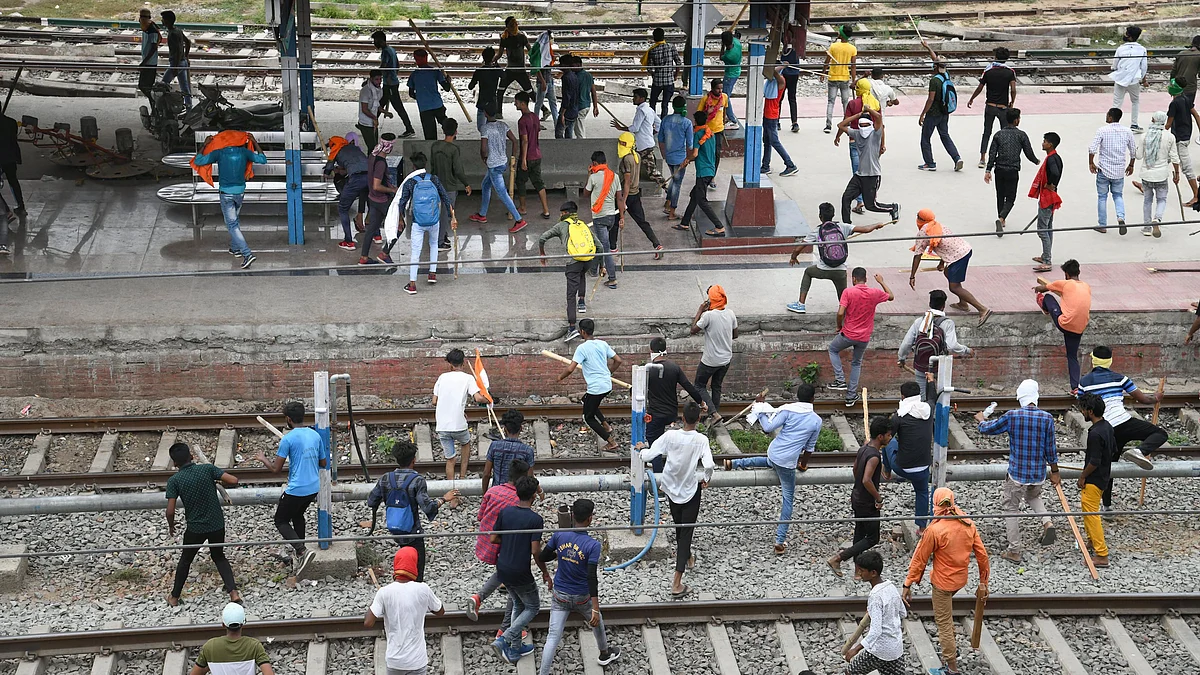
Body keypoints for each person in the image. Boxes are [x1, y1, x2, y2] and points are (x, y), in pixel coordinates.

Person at [903, 488, 990, 675]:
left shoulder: (935, 530)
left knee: (943, 622)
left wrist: (908, 583)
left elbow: (920, 558)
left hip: (942, 583)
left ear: (935, 503)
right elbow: (982, 555)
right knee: (947, 616)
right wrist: (984, 581)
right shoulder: (967, 523)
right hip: (960, 580)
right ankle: (950, 650)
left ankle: (951, 668)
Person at [726, 385, 823, 553]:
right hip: (788, 463)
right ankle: (780, 540)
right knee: (788, 500)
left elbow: (768, 428)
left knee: (768, 462)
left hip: (775, 453)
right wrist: (803, 465)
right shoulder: (816, 420)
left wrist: (761, 410)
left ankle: (733, 463)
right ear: (813, 399)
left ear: (797, 396)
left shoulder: (788, 410)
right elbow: (809, 448)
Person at [976, 380, 1061, 564]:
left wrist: (981, 420)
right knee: (1033, 498)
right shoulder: (1047, 418)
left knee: (1011, 508)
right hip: (1037, 474)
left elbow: (989, 429)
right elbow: (1051, 449)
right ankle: (1047, 522)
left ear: (1020, 397)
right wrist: (1055, 472)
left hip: (1016, 474)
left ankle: (1014, 550)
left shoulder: (1013, 415)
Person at [536, 498, 622, 672]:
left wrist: (560, 554)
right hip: (582, 597)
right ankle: (604, 653)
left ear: (573, 516)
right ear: (590, 518)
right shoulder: (593, 545)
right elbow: (591, 577)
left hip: (560, 596)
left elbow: (543, 556)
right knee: (597, 622)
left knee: (553, 637)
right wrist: (595, 608)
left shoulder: (559, 535)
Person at [640, 402, 714, 598]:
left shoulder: (670, 435)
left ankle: (688, 557)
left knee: (679, 528)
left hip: (671, 488)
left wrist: (641, 451)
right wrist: (706, 478)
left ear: (682, 418)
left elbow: (650, 454)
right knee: (685, 534)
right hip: (690, 490)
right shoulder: (701, 439)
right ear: (699, 419)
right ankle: (677, 582)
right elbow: (709, 464)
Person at [1076, 345, 1163, 512]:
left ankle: (1107, 506)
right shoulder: (1120, 378)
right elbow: (1143, 399)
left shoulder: (1084, 382)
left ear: (1093, 360)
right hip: (1124, 423)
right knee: (1159, 433)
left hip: (1105, 429)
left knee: (1108, 467)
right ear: (1110, 361)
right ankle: (1139, 451)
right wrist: (1156, 398)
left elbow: (1083, 404)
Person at [367, 439, 457, 582]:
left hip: (395, 532)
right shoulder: (417, 480)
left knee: (401, 572)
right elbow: (428, 507)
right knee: (417, 575)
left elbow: (371, 501)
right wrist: (444, 499)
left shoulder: (385, 478)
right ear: (413, 460)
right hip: (413, 534)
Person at [255, 401, 326, 576]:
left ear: (288, 419)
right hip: (313, 487)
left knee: (280, 520)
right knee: (297, 515)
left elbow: (275, 469)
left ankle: (301, 550)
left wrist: (262, 458)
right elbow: (323, 463)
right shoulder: (315, 435)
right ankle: (300, 554)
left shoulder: (288, 439)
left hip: (296, 489)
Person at [165, 442, 240, 607]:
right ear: (191, 456)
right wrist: (217, 481)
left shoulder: (174, 480)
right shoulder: (207, 469)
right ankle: (233, 593)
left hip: (195, 528)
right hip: (216, 523)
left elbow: (170, 511)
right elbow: (233, 480)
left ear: (175, 463)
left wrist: (171, 526)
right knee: (219, 556)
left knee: (185, 560)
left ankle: (174, 597)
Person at [787, 203, 886, 314]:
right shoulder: (842, 227)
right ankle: (849, 317)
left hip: (823, 269)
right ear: (833, 215)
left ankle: (801, 305)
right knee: (843, 300)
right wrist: (877, 224)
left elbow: (799, 248)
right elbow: (865, 229)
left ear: (820, 216)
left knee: (808, 272)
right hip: (840, 271)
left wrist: (793, 257)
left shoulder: (817, 231)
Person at [490, 475, 548, 664]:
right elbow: (535, 551)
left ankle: (515, 649)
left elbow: (493, 538)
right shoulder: (535, 519)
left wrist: (511, 542)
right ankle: (504, 639)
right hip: (520, 571)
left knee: (518, 604)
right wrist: (545, 572)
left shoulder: (506, 512)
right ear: (533, 496)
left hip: (503, 568)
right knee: (533, 607)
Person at [466, 457, 530, 626]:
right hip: (506, 546)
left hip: (486, 542)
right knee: (515, 585)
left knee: (505, 576)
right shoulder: (519, 500)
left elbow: (480, 516)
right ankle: (508, 628)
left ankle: (479, 598)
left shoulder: (492, 491)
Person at [191, 131, 267, 269]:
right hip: (240, 192)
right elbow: (263, 159)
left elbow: (198, 160)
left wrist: (204, 145)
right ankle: (234, 248)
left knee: (232, 225)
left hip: (226, 194)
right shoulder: (244, 152)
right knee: (234, 222)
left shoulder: (219, 153)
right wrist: (255, 142)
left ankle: (247, 254)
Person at [364, 546, 445, 674]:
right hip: (417, 662)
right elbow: (440, 611)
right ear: (414, 566)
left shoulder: (385, 592)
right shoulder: (423, 589)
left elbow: (368, 622)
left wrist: (378, 600)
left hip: (395, 662)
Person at [827, 416, 892, 576]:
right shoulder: (875, 456)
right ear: (880, 436)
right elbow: (866, 479)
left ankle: (858, 570)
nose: (891, 438)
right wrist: (878, 497)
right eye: (889, 435)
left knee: (859, 532)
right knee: (872, 538)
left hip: (856, 497)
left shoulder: (864, 449)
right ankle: (838, 558)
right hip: (867, 503)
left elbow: (855, 470)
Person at [908, 209, 992, 326]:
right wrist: (942, 264)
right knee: (948, 272)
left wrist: (912, 276)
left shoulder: (923, 232)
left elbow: (917, 256)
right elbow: (945, 245)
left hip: (958, 257)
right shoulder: (938, 225)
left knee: (954, 287)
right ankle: (963, 304)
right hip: (965, 249)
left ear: (920, 219)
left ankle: (983, 309)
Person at [828, 268, 894, 407]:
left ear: (853, 279)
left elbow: (840, 313)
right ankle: (851, 396)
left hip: (848, 334)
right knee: (856, 363)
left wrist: (839, 326)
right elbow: (891, 296)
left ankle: (840, 380)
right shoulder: (875, 293)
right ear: (866, 279)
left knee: (833, 349)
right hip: (864, 337)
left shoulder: (848, 292)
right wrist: (881, 282)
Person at [645, 337, 709, 473]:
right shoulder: (674, 368)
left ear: (651, 351)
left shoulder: (649, 369)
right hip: (671, 413)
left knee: (653, 440)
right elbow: (689, 387)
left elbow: (640, 390)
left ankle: (658, 474)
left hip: (655, 413)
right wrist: (701, 402)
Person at [538, 201, 602, 339]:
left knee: (570, 295)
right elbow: (600, 246)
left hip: (573, 262)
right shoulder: (583, 225)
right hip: (587, 260)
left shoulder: (561, 225)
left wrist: (542, 253)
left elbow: (542, 238)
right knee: (582, 275)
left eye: (561, 213)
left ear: (565, 213)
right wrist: (602, 266)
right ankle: (582, 302)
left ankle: (572, 327)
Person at [558, 318, 623, 451]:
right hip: (606, 385)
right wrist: (608, 372)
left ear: (582, 332)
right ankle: (606, 425)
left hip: (596, 388)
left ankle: (611, 442)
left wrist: (560, 377)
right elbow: (618, 360)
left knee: (589, 417)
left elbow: (570, 369)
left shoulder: (582, 348)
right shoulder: (602, 344)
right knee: (586, 400)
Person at [396, 152, 456, 294]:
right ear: (425, 164)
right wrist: (452, 216)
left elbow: (402, 202)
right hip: (434, 220)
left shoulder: (410, 182)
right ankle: (432, 274)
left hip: (418, 222)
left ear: (413, 166)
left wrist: (400, 219)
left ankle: (412, 284)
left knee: (416, 252)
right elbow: (446, 198)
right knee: (434, 244)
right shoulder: (434, 179)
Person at [898, 290, 972, 403]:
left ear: (930, 303)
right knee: (941, 393)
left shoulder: (920, 321)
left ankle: (924, 416)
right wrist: (967, 350)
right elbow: (952, 345)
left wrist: (902, 358)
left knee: (922, 396)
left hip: (921, 364)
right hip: (940, 365)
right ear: (943, 306)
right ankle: (936, 416)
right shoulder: (947, 323)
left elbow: (906, 344)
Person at [842, 550, 906, 675]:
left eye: (862, 570)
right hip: (896, 649)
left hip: (879, 650)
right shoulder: (891, 587)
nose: (859, 573)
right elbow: (903, 613)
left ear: (873, 573)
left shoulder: (875, 596)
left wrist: (855, 649)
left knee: (850, 672)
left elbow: (876, 631)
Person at [882, 381, 934, 535]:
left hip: (902, 467)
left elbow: (887, 437)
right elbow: (932, 397)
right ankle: (922, 528)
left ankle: (887, 471)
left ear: (902, 396)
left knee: (890, 441)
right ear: (919, 395)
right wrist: (931, 380)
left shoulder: (899, 416)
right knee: (922, 492)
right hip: (923, 467)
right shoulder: (929, 409)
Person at [1033, 259, 1091, 391]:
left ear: (1066, 274)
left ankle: (1045, 307)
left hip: (1064, 323)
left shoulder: (1064, 284)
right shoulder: (1086, 286)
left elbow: (1042, 287)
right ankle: (1075, 387)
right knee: (1072, 356)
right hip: (1079, 328)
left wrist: (1037, 289)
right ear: (1079, 272)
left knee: (1047, 297)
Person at [469, 103, 527, 233]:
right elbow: (515, 141)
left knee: (502, 193)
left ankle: (519, 220)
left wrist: (483, 158)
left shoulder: (485, 128)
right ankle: (482, 214)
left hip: (493, 165)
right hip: (502, 162)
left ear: (485, 114)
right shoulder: (503, 125)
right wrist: (513, 157)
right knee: (485, 185)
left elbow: (483, 148)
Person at [432, 348, 487, 481]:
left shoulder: (442, 377)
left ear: (450, 364)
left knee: (450, 459)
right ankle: (462, 477)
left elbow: (435, 401)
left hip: (442, 426)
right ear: (463, 363)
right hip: (458, 425)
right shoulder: (467, 378)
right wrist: (488, 399)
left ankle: (452, 493)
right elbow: (478, 398)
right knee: (466, 443)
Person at [838, 108, 900, 225]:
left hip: (872, 176)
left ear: (871, 125)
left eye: (866, 125)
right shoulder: (856, 133)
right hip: (859, 175)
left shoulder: (875, 134)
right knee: (846, 198)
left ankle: (893, 207)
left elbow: (879, 118)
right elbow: (840, 125)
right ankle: (847, 225)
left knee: (871, 206)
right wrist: (857, 115)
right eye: (861, 125)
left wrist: (869, 110)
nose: (864, 128)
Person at [984, 107, 1039, 236]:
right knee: (1011, 197)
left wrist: (988, 169)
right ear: (1015, 121)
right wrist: (1036, 161)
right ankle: (1002, 217)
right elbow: (1028, 152)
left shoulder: (998, 134)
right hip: (1012, 170)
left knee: (1000, 194)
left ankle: (1001, 218)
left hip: (999, 169)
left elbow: (992, 153)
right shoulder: (1021, 135)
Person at [1077, 393, 1116, 568]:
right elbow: (1113, 450)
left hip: (1093, 479)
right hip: (1103, 477)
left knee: (1091, 514)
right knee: (1089, 511)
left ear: (1090, 411)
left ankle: (1101, 554)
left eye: (1083, 410)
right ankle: (1092, 541)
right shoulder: (1107, 427)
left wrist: (1083, 476)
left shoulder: (1094, 433)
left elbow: (1094, 461)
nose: (1082, 412)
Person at [614, 131, 664, 259]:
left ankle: (613, 248)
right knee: (642, 222)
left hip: (626, 196)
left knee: (615, 223)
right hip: (636, 194)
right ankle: (657, 245)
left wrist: (622, 201)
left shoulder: (626, 160)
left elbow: (627, 182)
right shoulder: (636, 156)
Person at [1088, 107, 1137, 234]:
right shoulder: (1127, 131)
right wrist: (1131, 165)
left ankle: (1102, 225)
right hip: (1119, 170)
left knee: (1102, 197)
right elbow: (1133, 151)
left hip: (1103, 170)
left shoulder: (1102, 131)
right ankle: (1121, 217)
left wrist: (1091, 162)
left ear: (1110, 117)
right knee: (1118, 195)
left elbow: (1092, 149)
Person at [917, 41, 964, 173]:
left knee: (925, 138)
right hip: (945, 112)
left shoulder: (934, 81)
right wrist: (927, 47)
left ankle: (929, 163)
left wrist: (922, 114)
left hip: (933, 114)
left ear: (935, 67)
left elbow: (930, 99)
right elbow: (935, 59)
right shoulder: (946, 75)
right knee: (945, 135)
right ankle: (956, 158)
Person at [967, 47, 1016, 168]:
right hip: (1003, 107)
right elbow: (1013, 90)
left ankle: (983, 158)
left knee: (986, 132)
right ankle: (1003, 157)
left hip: (990, 106)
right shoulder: (1010, 72)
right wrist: (1012, 102)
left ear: (996, 57)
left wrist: (972, 98)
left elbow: (980, 87)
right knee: (1005, 133)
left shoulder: (988, 71)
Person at [691, 284, 738, 411]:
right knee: (716, 386)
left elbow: (693, 330)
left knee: (699, 386)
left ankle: (712, 412)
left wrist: (700, 311)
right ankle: (715, 411)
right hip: (725, 360)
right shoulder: (731, 314)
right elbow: (735, 335)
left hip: (710, 361)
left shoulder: (708, 316)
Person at [191, 603, 274, 675]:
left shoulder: (210, 646)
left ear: (223, 624)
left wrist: (211, 665)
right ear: (243, 622)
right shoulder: (254, 645)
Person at [1134, 110, 1180, 237]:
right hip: (1161, 175)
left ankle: (1147, 227)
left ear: (1153, 120)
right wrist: (1177, 173)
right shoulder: (1170, 137)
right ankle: (1157, 219)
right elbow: (1175, 158)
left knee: (1147, 200)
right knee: (1162, 199)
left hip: (1146, 175)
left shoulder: (1144, 136)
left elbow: (1138, 156)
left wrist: (1134, 149)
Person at [430, 118, 472, 252]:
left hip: (436, 184)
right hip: (450, 187)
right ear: (456, 131)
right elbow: (458, 170)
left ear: (443, 130)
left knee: (440, 213)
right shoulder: (454, 149)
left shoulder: (435, 146)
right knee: (447, 214)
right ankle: (439, 242)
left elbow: (432, 166)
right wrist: (466, 184)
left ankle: (443, 235)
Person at [679, 110, 725, 235]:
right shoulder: (711, 133)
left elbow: (695, 153)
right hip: (710, 171)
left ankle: (719, 226)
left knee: (701, 200)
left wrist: (687, 160)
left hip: (702, 173)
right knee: (695, 196)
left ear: (695, 121)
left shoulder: (698, 134)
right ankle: (684, 223)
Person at [611, 87, 666, 190]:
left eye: (635, 97)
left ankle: (667, 187)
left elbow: (635, 128)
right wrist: (650, 133)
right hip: (646, 144)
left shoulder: (641, 111)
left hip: (643, 146)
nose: (633, 99)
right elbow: (659, 124)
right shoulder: (649, 110)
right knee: (632, 167)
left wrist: (620, 128)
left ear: (642, 98)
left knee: (651, 172)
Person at [323, 134, 370, 251]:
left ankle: (348, 241)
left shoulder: (335, 150)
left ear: (333, 144)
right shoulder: (354, 148)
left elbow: (328, 168)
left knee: (343, 208)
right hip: (370, 176)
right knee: (370, 204)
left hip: (356, 178)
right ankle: (377, 235)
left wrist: (327, 173)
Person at [582, 150, 622, 288]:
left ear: (594, 163)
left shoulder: (593, 177)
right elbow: (620, 198)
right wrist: (621, 217)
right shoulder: (614, 176)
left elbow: (585, 194)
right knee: (598, 244)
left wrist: (589, 174)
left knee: (605, 249)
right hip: (612, 217)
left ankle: (612, 278)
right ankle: (593, 270)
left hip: (599, 218)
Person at [360, 133, 397, 265]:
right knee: (399, 226)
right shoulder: (381, 162)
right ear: (389, 146)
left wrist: (389, 185)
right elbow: (377, 185)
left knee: (372, 228)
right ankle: (384, 254)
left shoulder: (372, 156)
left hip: (372, 199)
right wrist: (392, 190)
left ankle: (364, 257)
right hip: (382, 200)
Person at [1030, 132, 1064, 273]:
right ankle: (1045, 255)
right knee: (1048, 227)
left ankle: (1047, 260)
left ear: (1050, 144)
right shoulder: (1057, 157)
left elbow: (1055, 173)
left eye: (1044, 141)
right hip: (1052, 195)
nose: (1043, 143)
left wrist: (1050, 183)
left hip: (1047, 196)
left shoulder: (1050, 160)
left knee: (1042, 229)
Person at [372, 31, 415, 138]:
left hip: (390, 84)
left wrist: (373, 78)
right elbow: (398, 65)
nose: (374, 42)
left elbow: (384, 66)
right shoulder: (391, 49)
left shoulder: (386, 51)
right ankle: (370, 123)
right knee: (380, 103)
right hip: (390, 83)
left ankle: (409, 129)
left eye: (375, 40)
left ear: (380, 40)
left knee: (398, 107)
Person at [513, 92, 550, 220]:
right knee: (538, 183)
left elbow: (524, 141)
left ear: (523, 104)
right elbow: (537, 132)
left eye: (516, 102)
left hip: (528, 157)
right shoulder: (535, 116)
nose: (515, 104)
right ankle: (546, 210)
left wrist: (523, 160)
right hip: (537, 154)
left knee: (520, 182)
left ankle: (522, 207)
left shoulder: (522, 121)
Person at [658, 96, 694, 221]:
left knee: (673, 178)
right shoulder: (687, 123)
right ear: (684, 107)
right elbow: (690, 144)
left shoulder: (665, 120)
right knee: (677, 184)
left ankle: (668, 202)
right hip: (680, 158)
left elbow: (661, 139)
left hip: (669, 156)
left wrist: (664, 153)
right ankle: (672, 212)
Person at [482, 409, 536, 492]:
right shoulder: (527, 451)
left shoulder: (494, 446)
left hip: (497, 493)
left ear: (505, 429)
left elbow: (486, 474)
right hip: (517, 496)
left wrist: (485, 494)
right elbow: (529, 478)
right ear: (521, 428)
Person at [1166, 79, 1200, 207]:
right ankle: (1146, 185)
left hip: (1179, 139)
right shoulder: (1186, 99)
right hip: (1185, 136)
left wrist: (1156, 129)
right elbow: (1196, 115)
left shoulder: (1174, 104)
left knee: (1186, 168)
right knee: (1162, 160)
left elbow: (1168, 124)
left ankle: (1196, 196)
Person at [1111, 26, 1150, 131]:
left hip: (1120, 79)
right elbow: (1144, 67)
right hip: (1134, 80)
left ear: (1129, 36)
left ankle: (1114, 123)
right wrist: (1143, 80)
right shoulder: (1142, 49)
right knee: (1135, 101)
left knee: (1117, 102)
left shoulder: (1120, 49)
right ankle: (1134, 124)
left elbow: (1114, 65)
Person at [407, 49, 450, 141]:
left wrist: (420, 97)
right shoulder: (435, 72)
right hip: (437, 104)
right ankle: (451, 136)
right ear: (426, 57)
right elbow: (447, 88)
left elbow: (411, 93)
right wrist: (448, 81)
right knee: (445, 123)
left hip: (424, 108)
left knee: (430, 136)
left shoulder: (414, 75)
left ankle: (432, 152)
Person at [762, 68, 798, 177]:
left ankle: (790, 164)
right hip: (767, 114)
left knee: (774, 141)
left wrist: (781, 66)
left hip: (771, 115)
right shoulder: (771, 82)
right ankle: (765, 166)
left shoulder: (780, 81)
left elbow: (772, 71)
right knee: (767, 141)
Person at [824, 25, 857, 134]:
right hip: (845, 78)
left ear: (841, 34)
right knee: (845, 102)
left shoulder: (833, 46)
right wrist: (854, 80)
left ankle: (828, 125)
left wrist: (823, 73)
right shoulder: (852, 48)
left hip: (833, 77)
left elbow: (827, 61)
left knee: (831, 102)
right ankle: (846, 123)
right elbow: (853, 66)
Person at [498, 17, 534, 112]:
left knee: (529, 91)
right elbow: (499, 53)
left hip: (520, 70)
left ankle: (544, 109)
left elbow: (530, 50)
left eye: (515, 24)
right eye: (512, 25)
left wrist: (535, 60)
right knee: (500, 90)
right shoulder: (504, 37)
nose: (514, 27)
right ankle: (498, 112)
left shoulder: (521, 36)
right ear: (507, 27)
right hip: (510, 69)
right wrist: (491, 61)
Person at [644, 28, 681, 118]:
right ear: (663, 36)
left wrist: (654, 75)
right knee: (665, 104)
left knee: (653, 102)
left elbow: (650, 68)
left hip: (657, 82)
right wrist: (675, 75)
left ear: (654, 38)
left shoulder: (652, 50)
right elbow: (678, 63)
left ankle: (652, 120)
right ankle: (663, 120)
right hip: (669, 81)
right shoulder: (671, 47)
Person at [159, 11, 192, 109]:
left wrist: (175, 67)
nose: (162, 21)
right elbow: (188, 42)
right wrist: (186, 56)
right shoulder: (178, 30)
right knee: (185, 88)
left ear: (168, 21)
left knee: (163, 85)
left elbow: (177, 51)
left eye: (163, 19)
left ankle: (166, 108)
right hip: (183, 62)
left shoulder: (172, 34)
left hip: (176, 63)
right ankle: (189, 108)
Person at [469, 47, 504, 134]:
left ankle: (485, 142)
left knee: (481, 128)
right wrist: (497, 65)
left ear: (483, 57)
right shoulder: (496, 70)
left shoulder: (479, 71)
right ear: (493, 58)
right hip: (492, 101)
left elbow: (470, 86)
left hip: (482, 101)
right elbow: (505, 76)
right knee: (491, 128)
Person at [699, 79, 728, 181]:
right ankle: (707, 173)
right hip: (707, 131)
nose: (720, 91)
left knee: (717, 153)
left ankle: (712, 176)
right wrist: (707, 112)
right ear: (712, 89)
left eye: (721, 89)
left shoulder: (724, 97)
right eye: (717, 89)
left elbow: (724, 110)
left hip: (719, 130)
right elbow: (699, 116)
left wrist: (723, 123)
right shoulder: (705, 100)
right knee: (708, 153)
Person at [138, 9, 162, 113]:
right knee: (145, 86)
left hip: (150, 63)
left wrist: (144, 62)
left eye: (144, 17)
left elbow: (153, 48)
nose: (142, 19)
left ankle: (155, 103)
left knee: (144, 85)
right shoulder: (146, 28)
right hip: (147, 62)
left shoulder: (152, 29)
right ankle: (154, 105)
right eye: (141, 16)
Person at [717, 30, 743, 128]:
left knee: (725, 97)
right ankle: (728, 116)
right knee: (725, 96)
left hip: (730, 75)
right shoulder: (736, 42)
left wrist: (722, 46)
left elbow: (721, 57)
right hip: (736, 72)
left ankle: (733, 120)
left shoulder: (729, 56)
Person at [358, 70, 387, 153]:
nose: (379, 81)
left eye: (380, 79)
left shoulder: (378, 89)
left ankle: (373, 163)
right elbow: (364, 109)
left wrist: (385, 112)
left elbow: (377, 104)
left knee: (375, 146)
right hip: (366, 123)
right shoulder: (365, 91)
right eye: (376, 79)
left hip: (373, 122)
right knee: (372, 147)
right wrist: (374, 118)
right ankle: (371, 164)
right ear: (371, 79)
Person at [0, 112, 23, 217]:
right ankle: (21, 206)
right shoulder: (12, 122)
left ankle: (6, 209)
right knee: (13, 181)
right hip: (11, 157)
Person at [573, 56, 600, 139]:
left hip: (579, 106)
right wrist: (595, 106)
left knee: (580, 132)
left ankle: (583, 148)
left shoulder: (575, 77)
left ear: (578, 65)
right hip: (587, 105)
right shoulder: (588, 75)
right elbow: (593, 92)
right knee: (579, 128)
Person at [557, 54, 580, 140]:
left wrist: (562, 113)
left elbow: (567, 97)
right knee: (569, 132)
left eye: (561, 64)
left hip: (568, 110)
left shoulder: (566, 78)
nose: (559, 66)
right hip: (574, 109)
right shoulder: (574, 76)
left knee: (559, 133)